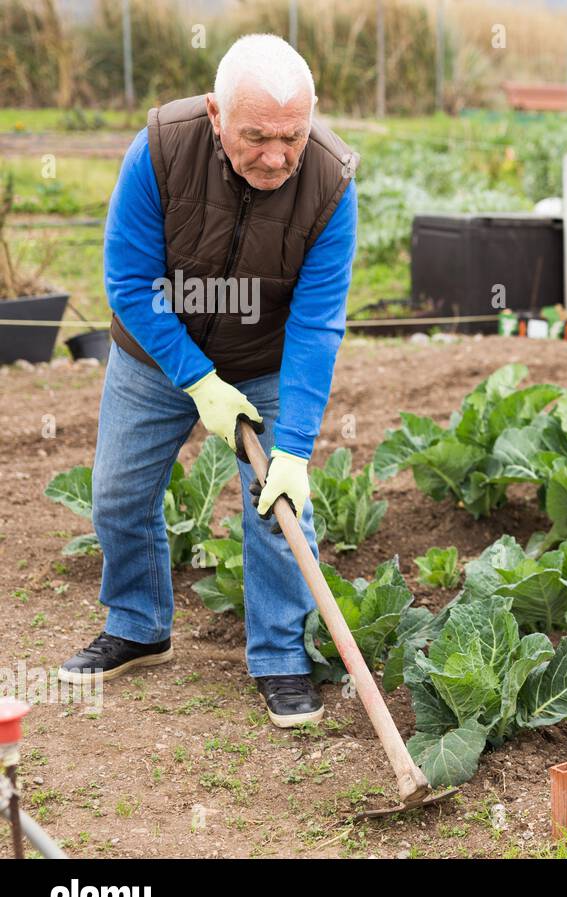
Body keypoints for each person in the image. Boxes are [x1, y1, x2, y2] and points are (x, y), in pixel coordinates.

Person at [57, 34, 359, 728]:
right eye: (256, 136)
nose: (278, 156)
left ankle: (281, 656)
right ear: (218, 115)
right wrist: (196, 377)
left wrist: (295, 448)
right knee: (116, 494)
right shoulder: (162, 148)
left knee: (281, 510)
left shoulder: (331, 180)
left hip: (265, 359)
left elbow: (317, 323)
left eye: (293, 135)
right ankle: (138, 624)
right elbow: (129, 283)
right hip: (157, 349)